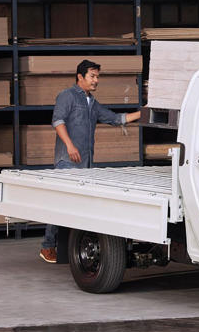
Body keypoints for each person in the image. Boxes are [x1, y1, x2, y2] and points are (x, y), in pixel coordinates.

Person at [39, 59, 141, 263]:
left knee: (76, 207)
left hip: (85, 164)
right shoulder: (67, 96)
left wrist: (144, 112)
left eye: (97, 77)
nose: (96, 80)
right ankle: (47, 246)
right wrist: (69, 146)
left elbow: (116, 119)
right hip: (67, 161)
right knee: (60, 203)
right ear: (80, 76)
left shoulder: (92, 103)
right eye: (92, 76)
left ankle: (70, 250)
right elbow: (57, 121)